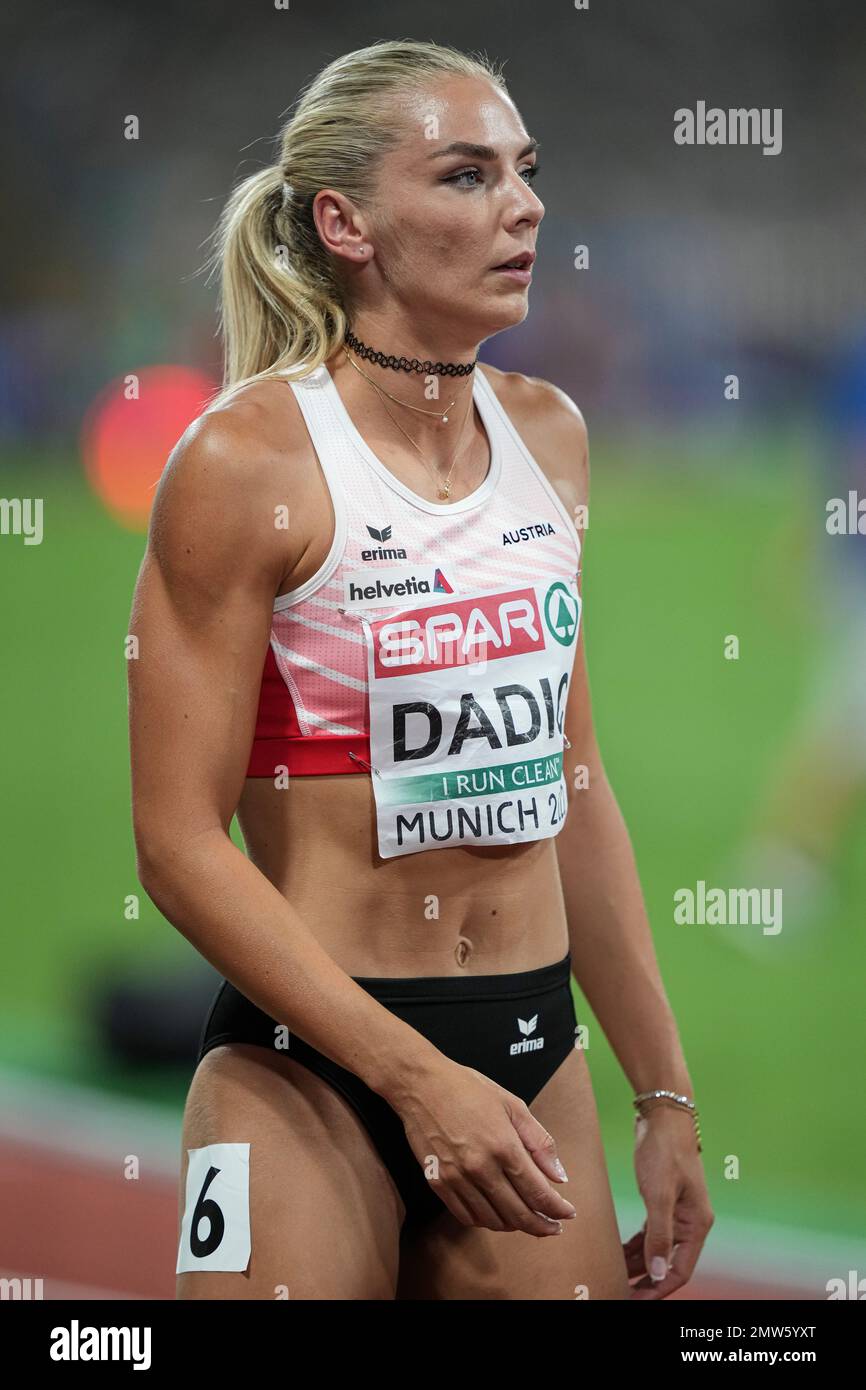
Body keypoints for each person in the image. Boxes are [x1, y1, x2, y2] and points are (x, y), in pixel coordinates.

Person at [128, 38, 713, 1300]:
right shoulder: (246, 464)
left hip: (524, 1057)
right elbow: (176, 843)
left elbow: (574, 784)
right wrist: (408, 1077)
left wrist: (662, 1090)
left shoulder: (549, 437)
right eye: (465, 175)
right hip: (308, 1070)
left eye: (524, 170)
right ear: (345, 222)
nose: (523, 205)